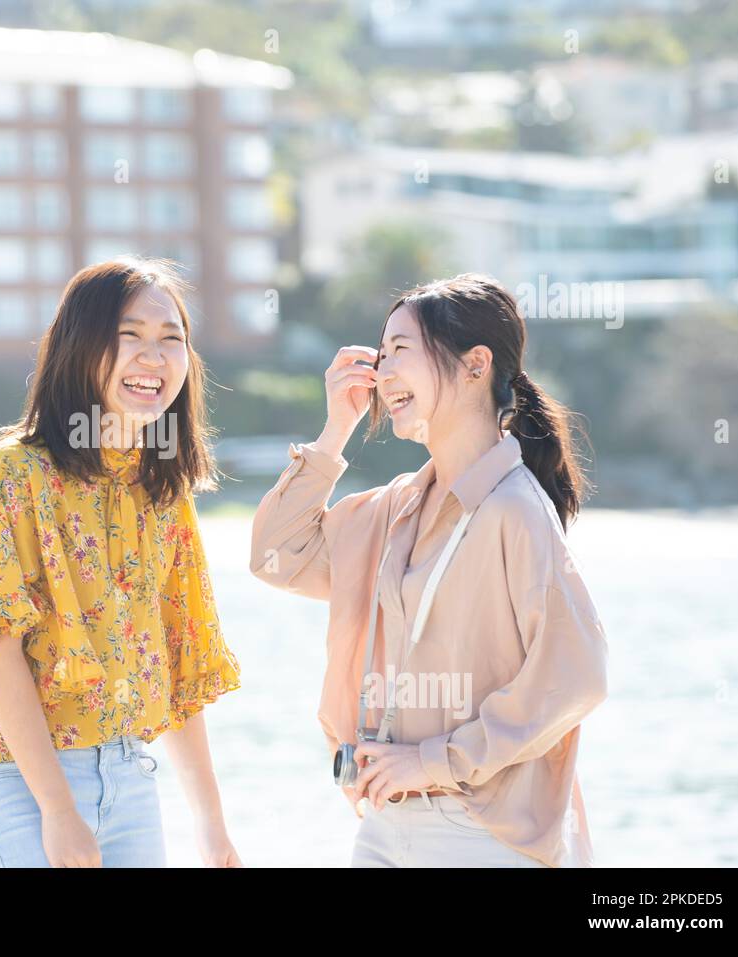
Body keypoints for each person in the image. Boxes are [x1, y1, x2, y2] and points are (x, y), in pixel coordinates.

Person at [250, 273, 609, 867]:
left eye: (402, 351)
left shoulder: (515, 510)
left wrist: (435, 758)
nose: (385, 372)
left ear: (475, 365)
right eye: (380, 354)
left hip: (482, 829)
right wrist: (335, 429)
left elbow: (578, 676)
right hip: (387, 823)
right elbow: (273, 555)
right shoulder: (394, 509)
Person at [0, 256, 243, 867]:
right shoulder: (16, 472)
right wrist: (59, 811)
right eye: (131, 337)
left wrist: (210, 823)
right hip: (18, 779)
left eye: (172, 340)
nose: (154, 357)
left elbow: (180, 658)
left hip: (130, 771)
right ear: (80, 347)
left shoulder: (162, 486)